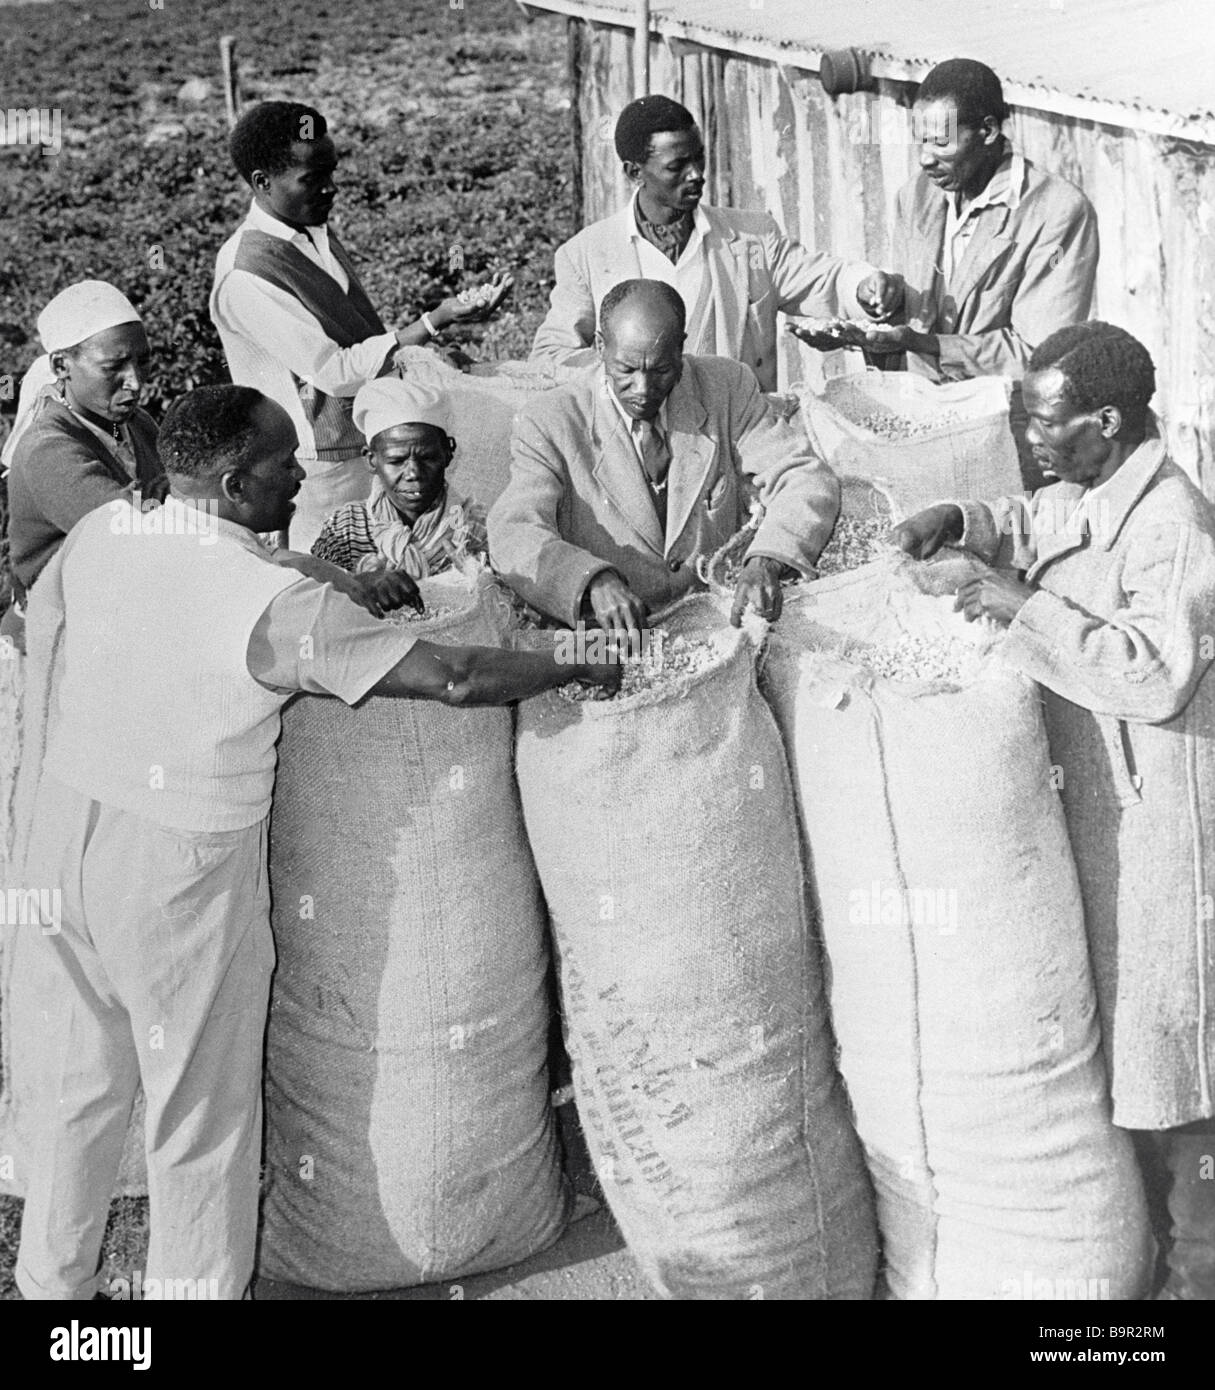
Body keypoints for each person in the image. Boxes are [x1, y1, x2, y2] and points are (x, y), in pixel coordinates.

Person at [11, 383, 617, 1301]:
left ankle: (55, 1298)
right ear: (229, 477)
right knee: (200, 1115)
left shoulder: (107, 535)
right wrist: (576, 659)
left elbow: (49, 637)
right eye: (281, 464)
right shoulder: (272, 605)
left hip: (65, 833)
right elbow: (451, 676)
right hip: (178, 869)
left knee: (75, 1094)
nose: (301, 476)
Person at [892, 322, 1215, 1301]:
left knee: (1182, 1060)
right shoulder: (1092, 485)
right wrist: (963, 519)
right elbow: (1035, 525)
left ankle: (1195, 1272)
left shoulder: (1173, 523)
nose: (1031, 437)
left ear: (1106, 423)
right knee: (1134, 1052)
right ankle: (1161, 1260)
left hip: (1168, 822)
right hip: (1107, 811)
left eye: (1045, 421)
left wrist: (1016, 603)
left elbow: (1154, 670)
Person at [210, 100, 514, 550]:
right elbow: (334, 371)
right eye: (313, 179)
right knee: (334, 573)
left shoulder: (311, 233)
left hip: (366, 446)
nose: (331, 189)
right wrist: (432, 322)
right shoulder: (246, 274)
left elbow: (358, 337)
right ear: (262, 182)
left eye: (332, 173)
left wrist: (422, 351)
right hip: (318, 467)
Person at [491, 278, 840, 634]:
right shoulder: (549, 420)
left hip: (722, 627)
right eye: (626, 370)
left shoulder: (727, 387)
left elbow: (803, 476)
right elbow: (514, 532)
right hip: (607, 642)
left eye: (660, 370)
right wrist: (590, 580)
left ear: (680, 349)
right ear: (599, 346)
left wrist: (767, 559)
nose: (643, 390)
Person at [528, 94, 899, 394]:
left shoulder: (752, 237)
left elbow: (824, 279)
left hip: (738, 437)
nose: (697, 175)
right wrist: (622, 374)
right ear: (634, 172)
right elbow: (550, 355)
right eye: (678, 166)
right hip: (636, 444)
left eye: (700, 158)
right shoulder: (588, 254)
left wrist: (864, 286)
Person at [811, 59, 1097, 386]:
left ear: (987, 131)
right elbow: (915, 315)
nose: (925, 158)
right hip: (920, 405)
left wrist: (924, 345)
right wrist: (884, 300)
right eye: (922, 141)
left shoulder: (1056, 211)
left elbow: (1040, 354)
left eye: (940, 142)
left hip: (1001, 418)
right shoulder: (917, 195)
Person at [3, 281, 168, 610]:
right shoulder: (47, 448)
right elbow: (134, 529)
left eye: (143, 362)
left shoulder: (137, 423)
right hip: (61, 628)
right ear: (62, 366)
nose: (135, 382)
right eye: (113, 367)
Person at [312, 377, 486, 576]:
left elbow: (505, 598)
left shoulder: (472, 527)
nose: (413, 474)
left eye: (427, 458)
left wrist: (476, 576)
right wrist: (361, 583)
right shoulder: (347, 527)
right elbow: (316, 592)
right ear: (371, 460)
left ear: (447, 454)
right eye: (397, 461)